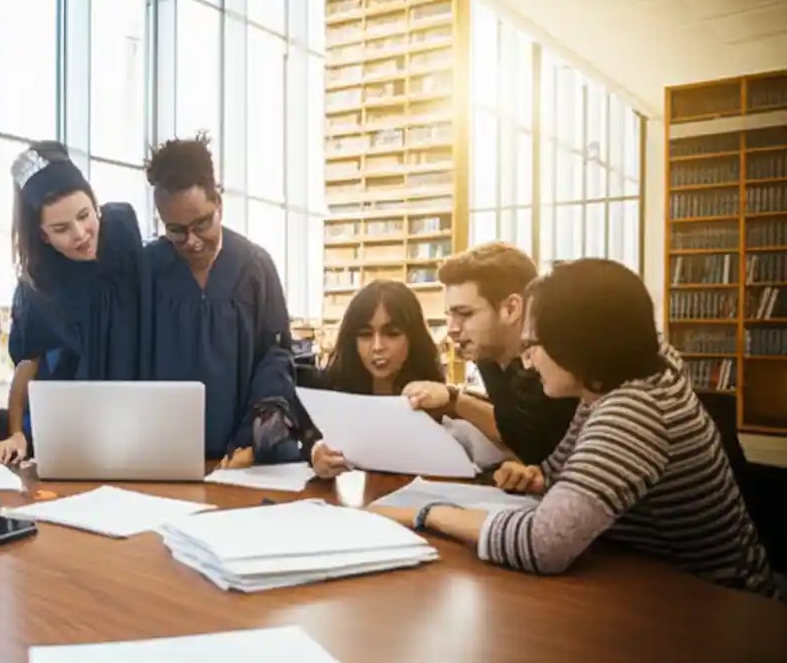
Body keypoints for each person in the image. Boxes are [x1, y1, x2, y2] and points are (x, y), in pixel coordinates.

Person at [369, 259, 780, 598]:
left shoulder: (633, 410)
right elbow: (561, 467)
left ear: (578, 343)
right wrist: (538, 476)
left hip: (716, 602)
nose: (527, 362)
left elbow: (542, 545)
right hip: (643, 577)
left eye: (534, 346)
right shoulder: (615, 377)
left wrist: (429, 512)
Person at [138, 133, 303, 466]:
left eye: (201, 223)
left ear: (219, 203)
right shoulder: (148, 270)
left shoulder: (255, 268)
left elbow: (275, 358)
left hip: (243, 457)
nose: (192, 241)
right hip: (161, 455)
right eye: (176, 230)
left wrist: (252, 440)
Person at [3, 141, 143, 459]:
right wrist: (15, 432)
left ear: (96, 205)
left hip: (139, 409)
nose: (80, 234)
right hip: (74, 422)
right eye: (61, 228)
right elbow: (27, 364)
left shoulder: (123, 231)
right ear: (43, 235)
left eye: (84, 215)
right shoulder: (37, 286)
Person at [303, 280, 503, 479]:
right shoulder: (335, 392)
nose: (377, 346)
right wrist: (317, 452)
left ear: (413, 338)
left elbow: (501, 445)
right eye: (365, 335)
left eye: (392, 334)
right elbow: (309, 437)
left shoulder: (436, 400)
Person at [401, 242, 577, 465]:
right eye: (450, 316)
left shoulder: (553, 363)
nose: (452, 329)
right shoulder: (489, 358)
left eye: (465, 314)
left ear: (511, 309)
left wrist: (454, 400)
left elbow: (531, 439)